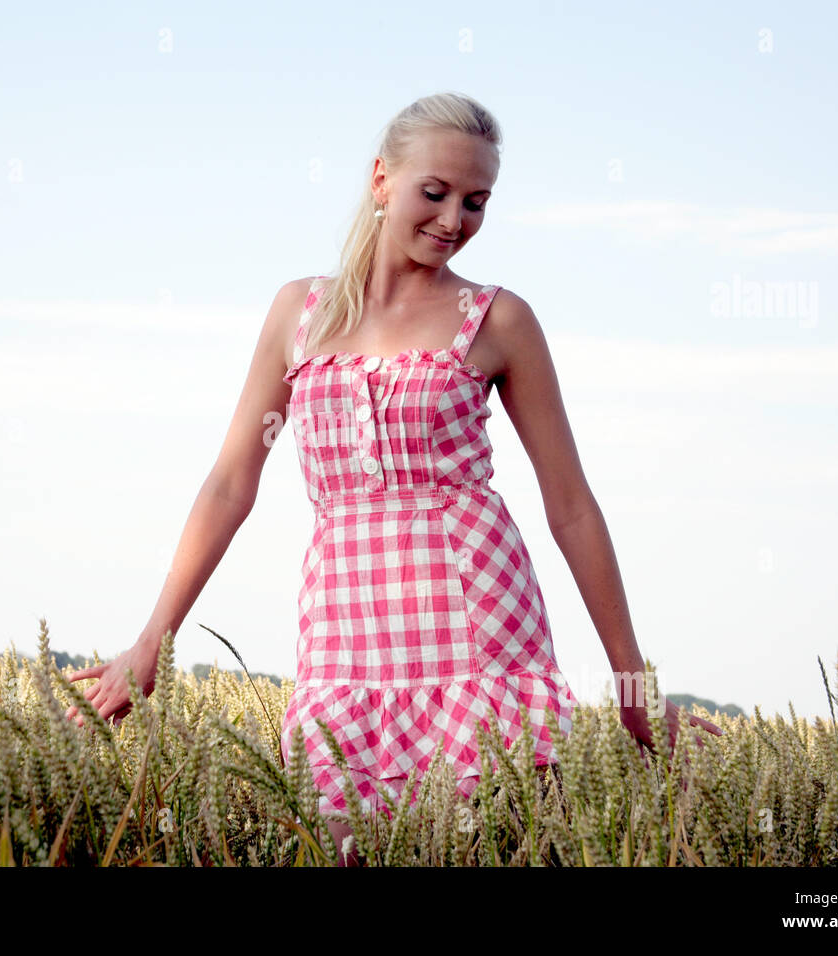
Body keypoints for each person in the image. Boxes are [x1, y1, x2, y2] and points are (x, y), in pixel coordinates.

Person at [66, 92, 723, 866]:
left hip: (481, 631)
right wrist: (153, 642)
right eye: (435, 192)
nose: (455, 221)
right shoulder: (298, 314)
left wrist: (632, 684)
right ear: (383, 179)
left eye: (477, 202)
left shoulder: (499, 320)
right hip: (343, 639)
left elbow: (571, 505)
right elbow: (229, 484)